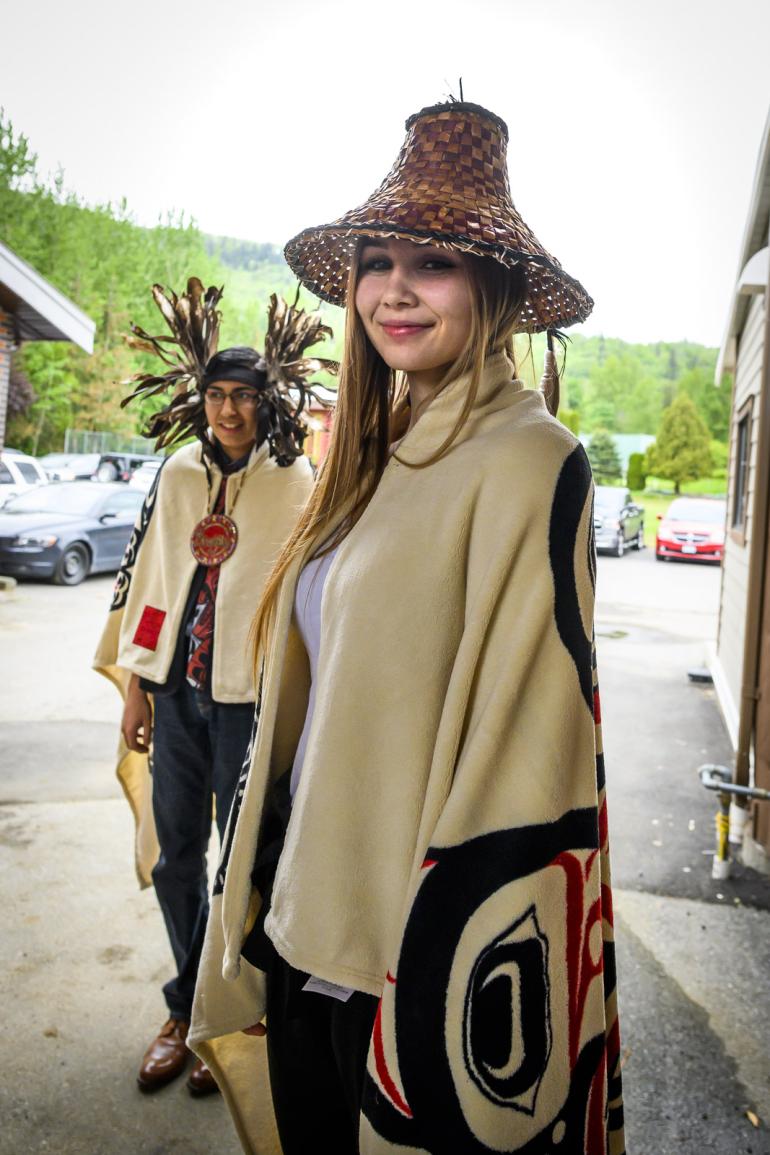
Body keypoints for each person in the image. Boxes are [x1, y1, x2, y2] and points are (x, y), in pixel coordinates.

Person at [189, 102, 625, 1154]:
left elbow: (529, 748)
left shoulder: (530, 461)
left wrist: (430, 973)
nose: (391, 287)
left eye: (431, 262)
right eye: (376, 259)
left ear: (496, 289)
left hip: (400, 961)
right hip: (298, 923)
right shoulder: (371, 454)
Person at [94, 282, 331, 1096]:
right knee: (175, 864)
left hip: (247, 702)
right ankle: (198, 1007)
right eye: (218, 395)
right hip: (176, 695)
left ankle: (203, 1014)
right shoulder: (178, 475)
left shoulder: (297, 482)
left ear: (269, 403)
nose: (229, 410)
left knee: (244, 863)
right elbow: (153, 582)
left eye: (244, 397)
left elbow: (311, 600)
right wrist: (135, 687)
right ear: (201, 399)